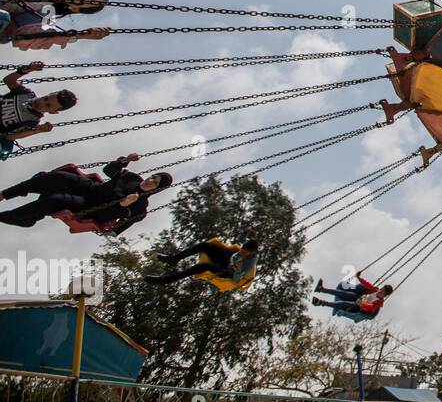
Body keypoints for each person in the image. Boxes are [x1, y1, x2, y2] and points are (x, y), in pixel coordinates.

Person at [0, 154, 170, 232]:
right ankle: (4, 194)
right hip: (92, 188)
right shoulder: (132, 177)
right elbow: (108, 171)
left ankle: (9, 216)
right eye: (152, 177)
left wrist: (123, 205)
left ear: (156, 189)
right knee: (56, 177)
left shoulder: (140, 206)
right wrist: (123, 161)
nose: (150, 181)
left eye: (154, 183)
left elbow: (107, 217)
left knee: (55, 200)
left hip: (89, 206)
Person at [0, 61, 77, 158]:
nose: (41, 103)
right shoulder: (26, 94)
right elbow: (8, 80)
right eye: (45, 99)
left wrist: (36, 131)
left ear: (53, 112)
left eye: (48, 106)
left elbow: (9, 137)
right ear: (48, 94)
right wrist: (26, 70)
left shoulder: (32, 121)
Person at [144, 239, 259, 285]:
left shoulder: (250, 263)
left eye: (245, 253)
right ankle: (175, 258)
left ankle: (165, 280)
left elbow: (236, 280)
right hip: (227, 262)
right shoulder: (242, 252)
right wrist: (233, 257)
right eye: (242, 251)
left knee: (202, 266)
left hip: (227, 274)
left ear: (252, 253)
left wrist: (238, 269)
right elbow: (235, 255)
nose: (242, 253)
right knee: (205, 246)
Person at [311, 275, 392, 316]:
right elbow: (368, 285)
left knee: (342, 303)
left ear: (384, 295)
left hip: (359, 307)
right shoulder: (375, 290)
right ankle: (321, 289)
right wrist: (359, 278)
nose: (380, 291)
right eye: (381, 289)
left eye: (382, 292)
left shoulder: (378, 303)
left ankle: (320, 302)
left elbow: (370, 307)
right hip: (359, 298)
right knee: (343, 293)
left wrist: (362, 304)